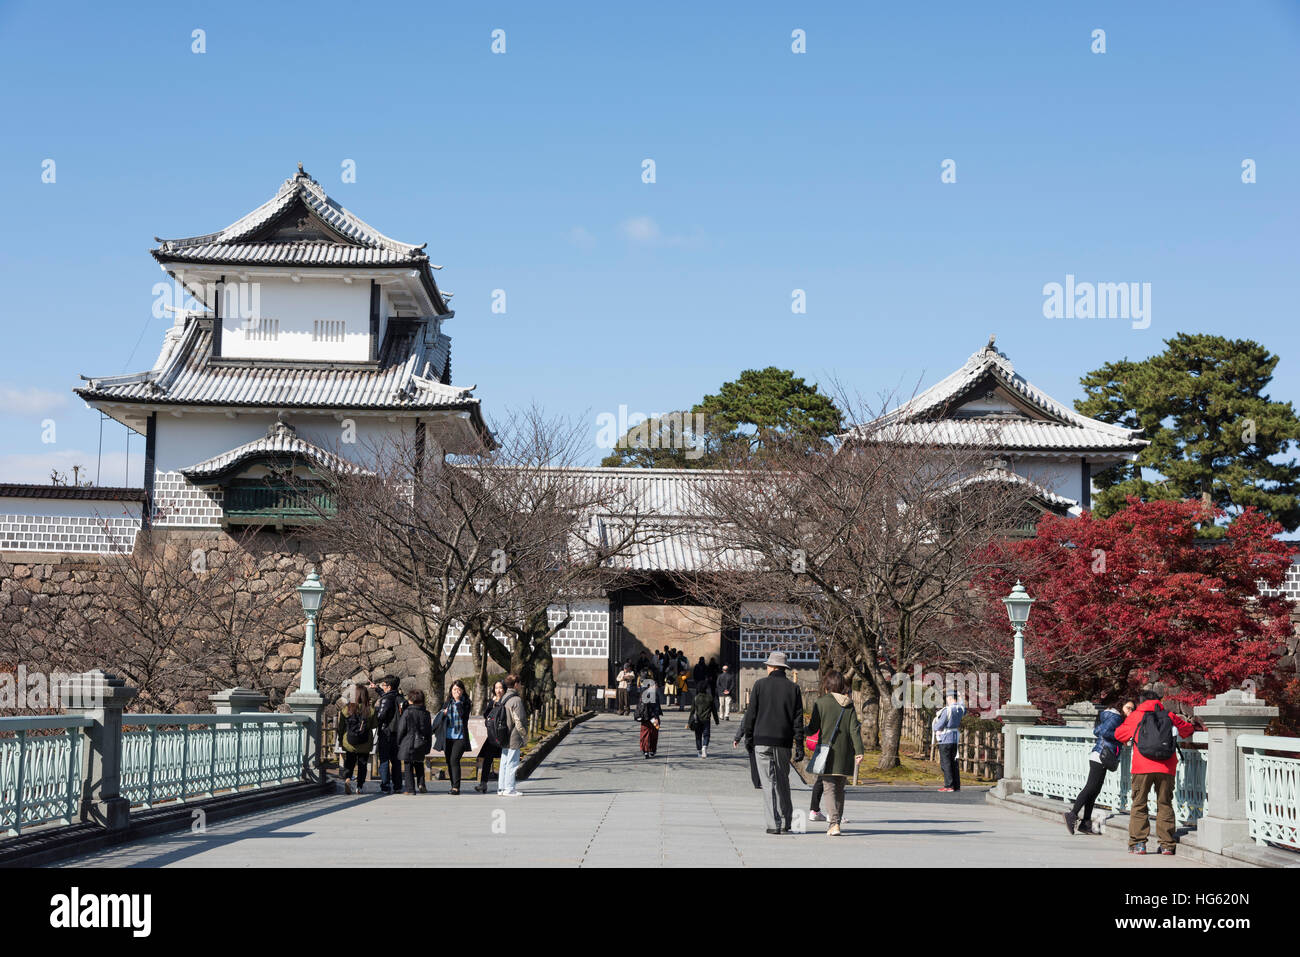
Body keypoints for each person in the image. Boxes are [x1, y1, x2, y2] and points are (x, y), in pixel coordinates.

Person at [1114, 691, 1195, 855]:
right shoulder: (1170, 715)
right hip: (1166, 767)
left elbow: (1118, 734)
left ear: (1141, 702)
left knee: (1139, 804)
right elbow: (1188, 730)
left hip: (1142, 767)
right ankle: (1167, 845)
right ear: (1159, 701)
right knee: (1164, 804)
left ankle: (1139, 844)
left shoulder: (1136, 715)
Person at [734, 651, 805, 834]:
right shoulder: (793, 688)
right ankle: (787, 820)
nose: (766, 668)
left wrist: (748, 739)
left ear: (772, 667)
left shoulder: (759, 685)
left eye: (767, 665)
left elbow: (751, 715)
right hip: (783, 741)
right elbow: (798, 720)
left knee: (768, 782)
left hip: (762, 740)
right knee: (783, 781)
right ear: (784, 668)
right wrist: (800, 744)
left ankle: (774, 824)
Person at [804, 670, 864, 836]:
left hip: (827, 752)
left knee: (829, 788)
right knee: (840, 788)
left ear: (827, 686)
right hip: (845, 753)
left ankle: (834, 824)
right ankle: (836, 822)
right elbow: (854, 730)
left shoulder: (821, 703)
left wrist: (800, 730)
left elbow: (813, 728)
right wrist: (859, 750)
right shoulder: (849, 704)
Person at [1064, 699, 1135, 836]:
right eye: (1128, 707)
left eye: (1132, 708)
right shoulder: (1116, 718)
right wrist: (1120, 736)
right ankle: (1072, 814)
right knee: (1090, 788)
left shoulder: (1114, 718)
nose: (1130, 711)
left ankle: (1085, 823)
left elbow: (1099, 730)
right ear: (1121, 707)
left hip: (1101, 756)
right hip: (1101, 756)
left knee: (1094, 791)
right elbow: (1102, 732)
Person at [335, 684, 376, 795]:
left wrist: (340, 739)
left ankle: (348, 778)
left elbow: (341, 727)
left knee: (350, 761)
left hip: (349, 741)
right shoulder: (370, 710)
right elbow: (373, 726)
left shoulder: (346, 709)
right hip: (365, 742)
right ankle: (360, 787)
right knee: (362, 764)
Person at [436, 679, 473, 795]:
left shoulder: (466, 703)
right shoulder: (447, 703)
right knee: (449, 761)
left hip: (460, 737)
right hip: (447, 737)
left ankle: (456, 787)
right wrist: (443, 713)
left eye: (458, 689)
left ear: (463, 691)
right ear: (450, 691)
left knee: (454, 759)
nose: (456, 691)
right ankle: (453, 785)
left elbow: (464, 716)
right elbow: (439, 719)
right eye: (454, 689)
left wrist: (457, 702)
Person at [396, 689, 433, 795]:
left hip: (408, 742)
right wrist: (427, 746)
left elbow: (401, 729)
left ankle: (410, 789)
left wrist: (399, 742)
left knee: (408, 766)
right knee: (419, 763)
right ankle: (421, 784)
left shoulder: (407, 712)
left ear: (411, 700)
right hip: (421, 743)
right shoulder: (426, 714)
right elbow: (428, 731)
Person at [497, 674, 528, 796]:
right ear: (515, 684)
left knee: (504, 761)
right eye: (519, 683)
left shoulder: (504, 697)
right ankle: (509, 788)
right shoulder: (516, 700)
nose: (520, 685)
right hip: (514, 734)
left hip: (503, 732)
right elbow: (520, 719)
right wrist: (524, 734)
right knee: (512, 762)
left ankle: (501, 788)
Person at [373, 675, 405, 795]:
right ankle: (397, 786)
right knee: (396, 761)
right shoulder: (399, 697)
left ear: (389, 686)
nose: (383, 687)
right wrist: (377, 689)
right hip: (398, 734)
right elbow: (387, 695)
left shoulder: (386, 699)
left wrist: (375, 716)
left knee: (385, 760)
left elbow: (381, 716)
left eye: (384, 685)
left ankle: (385, 786)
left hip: (386, 733)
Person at [932, 690, 967, 792]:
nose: (946, 700)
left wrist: (934, 726)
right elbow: (963, 706)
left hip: (945, 738)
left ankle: (949, 785)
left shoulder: (947, 710)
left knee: (945, 763)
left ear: (950, 698)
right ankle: (956, 785)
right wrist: (961, 698)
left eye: (947, 698)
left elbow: (939, 725)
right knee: (954, 762)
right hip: (955, 738)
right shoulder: (960, 709)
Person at [475, 680, 505, 793]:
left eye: (500, 687)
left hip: (503, 734)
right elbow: (486, 715)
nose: (498, 690)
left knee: (504, 760)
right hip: (492, 734)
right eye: (496, 688)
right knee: (487, 759)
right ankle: (483, 783)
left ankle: (504, 784)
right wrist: (491, 705)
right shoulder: (492, 701)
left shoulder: (506, 700)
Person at [689, 674, 720, 757]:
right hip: (706, 719)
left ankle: (699, 751)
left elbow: (692, 711)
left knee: (698, 735)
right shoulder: (710, 697)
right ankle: (704, 747)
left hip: (697, 719)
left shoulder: (696, 698)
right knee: (706, 735)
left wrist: (689, 722)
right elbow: (714, 710)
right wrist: (717, 720)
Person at [637, 673, 662, 758]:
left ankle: (646, 750)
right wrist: (655, 717)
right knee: (653, 734)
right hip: (652, 717)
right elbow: (655, 707)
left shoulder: (644, 693)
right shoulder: (653, 694)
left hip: (645, 717)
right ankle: (651, 750)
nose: (657, 687)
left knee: (645, 734)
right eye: (656, 685)